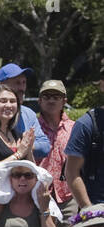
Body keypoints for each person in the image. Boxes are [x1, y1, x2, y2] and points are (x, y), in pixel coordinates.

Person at [63, 63, 104, 209]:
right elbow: (71, 173)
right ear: (102, 85)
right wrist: (90, 213)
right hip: (98, 212)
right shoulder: (86, 124)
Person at [0, 62, 50, 159]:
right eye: (17, 83)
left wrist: (27, 146)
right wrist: (15, 149)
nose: (22, 88)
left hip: (23, 172)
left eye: (24, 82)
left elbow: (45, 147)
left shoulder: (29, 114)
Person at [35, 79, 75, 212]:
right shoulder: (32, 127)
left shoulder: (74, 128)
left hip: (69, 196)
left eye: (56, 97)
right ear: (39, 101)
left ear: (64, 101)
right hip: (38, 195)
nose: (51, 101)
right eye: (46, 97)